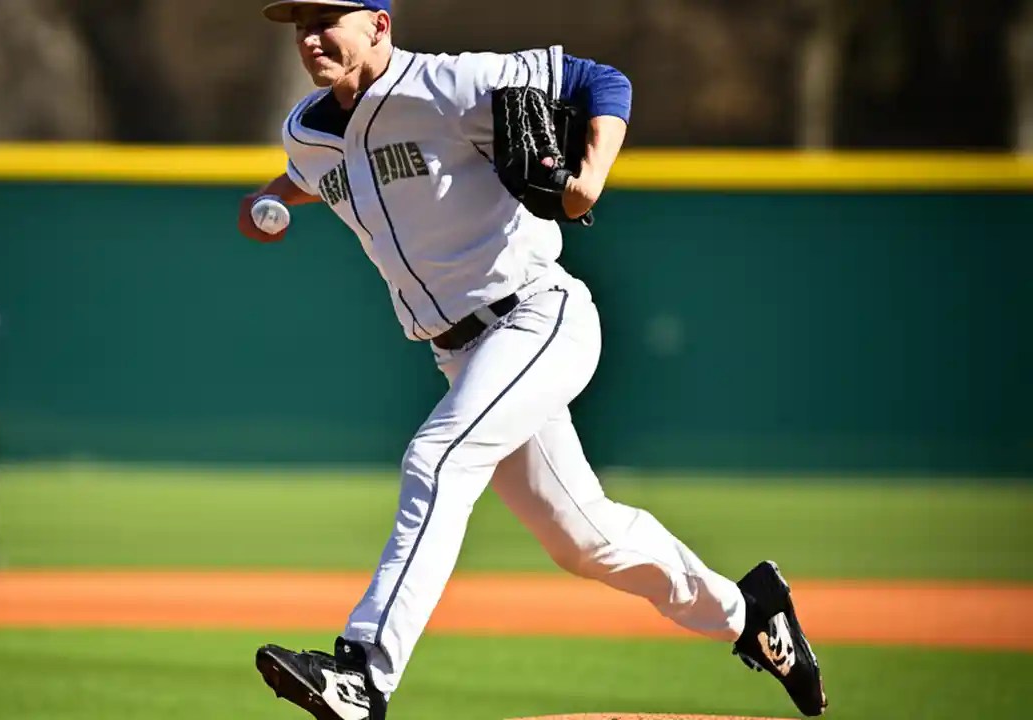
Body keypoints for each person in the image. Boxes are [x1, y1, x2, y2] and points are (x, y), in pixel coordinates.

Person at [242, 2, 827, 719]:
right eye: (299, 23)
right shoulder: (306, 129)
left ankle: (363, 674)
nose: (308, 36)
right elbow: (313, 171)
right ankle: (752, 614)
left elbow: (599, 80)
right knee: (587, 540)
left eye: (327, 18)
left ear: (379, 25)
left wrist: (591, 174)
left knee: (439, 456)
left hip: (535, 317)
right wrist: (271, 198)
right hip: (460, 354)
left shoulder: (452, 85)